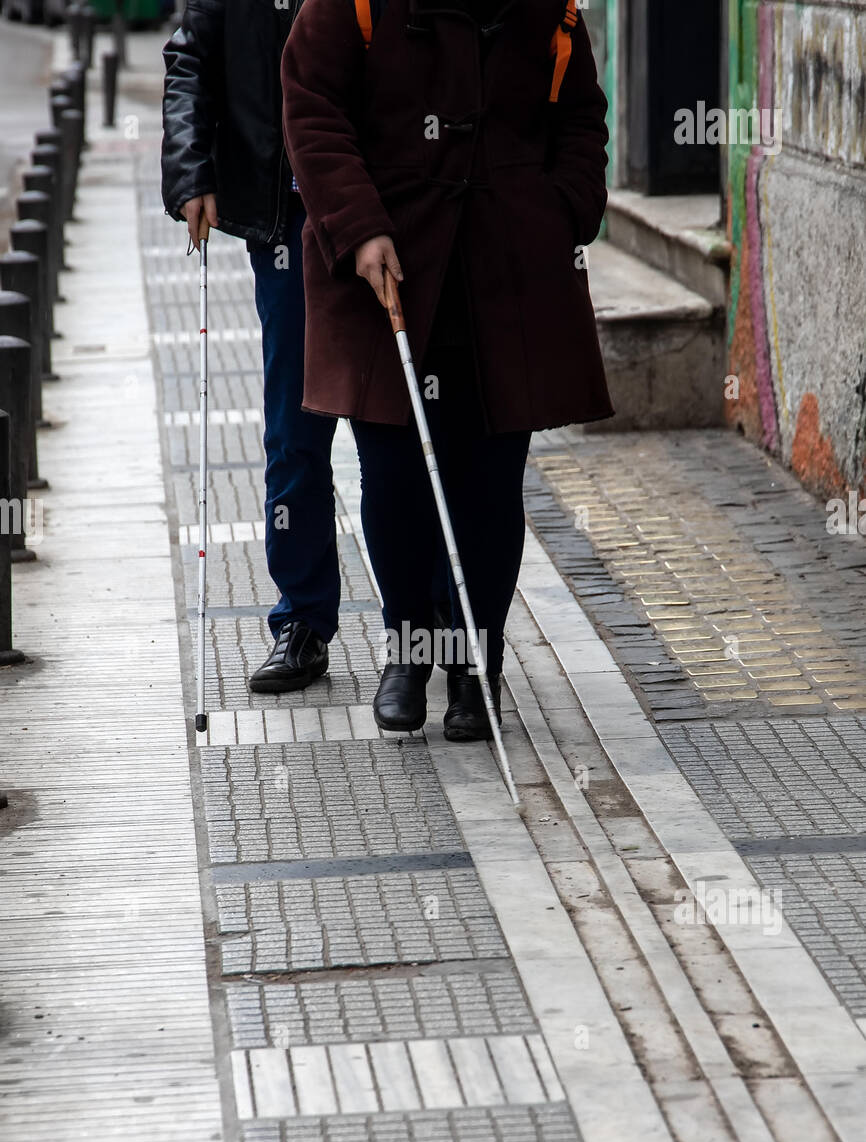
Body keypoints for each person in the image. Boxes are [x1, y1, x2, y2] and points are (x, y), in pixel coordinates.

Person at [282, 0, 613, 738]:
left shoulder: (550, 8)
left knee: (489, 486)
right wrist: (358, 226)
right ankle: (408, 651)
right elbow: (313, 109)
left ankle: (475, 663)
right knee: (394, 479)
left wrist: (563, 209)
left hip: (508, 279)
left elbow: (580, 119)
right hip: (387, 275)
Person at [161, 0, 338, 693]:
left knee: (399, 429)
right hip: (288, 218)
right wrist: (191, 171)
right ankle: (303, 619)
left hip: (393, 209)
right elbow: (191, 57)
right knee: (294, 426)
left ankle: (425, 626)